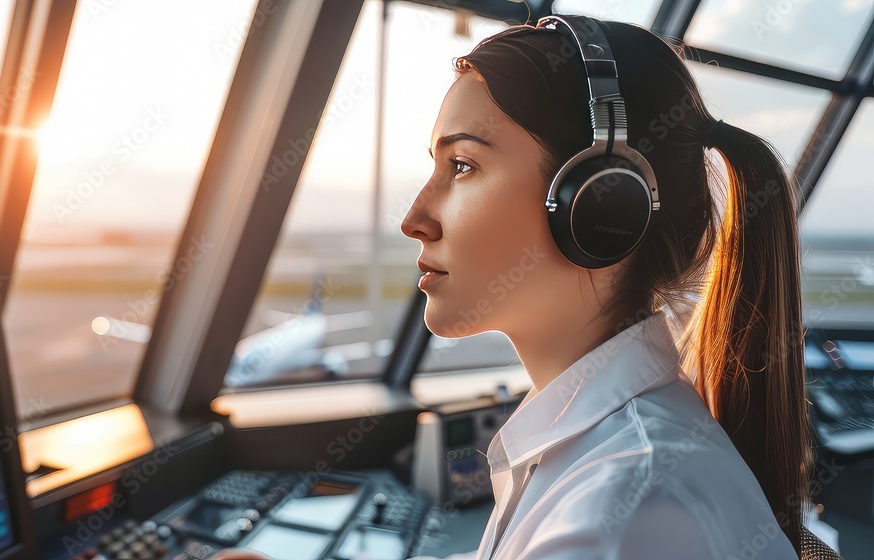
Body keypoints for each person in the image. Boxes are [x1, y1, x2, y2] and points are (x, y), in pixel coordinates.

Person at [214, 14, 811, 560]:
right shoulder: (603, 451)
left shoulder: (625, 510)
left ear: (601, 206)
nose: (414, 217)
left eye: (463, 166)